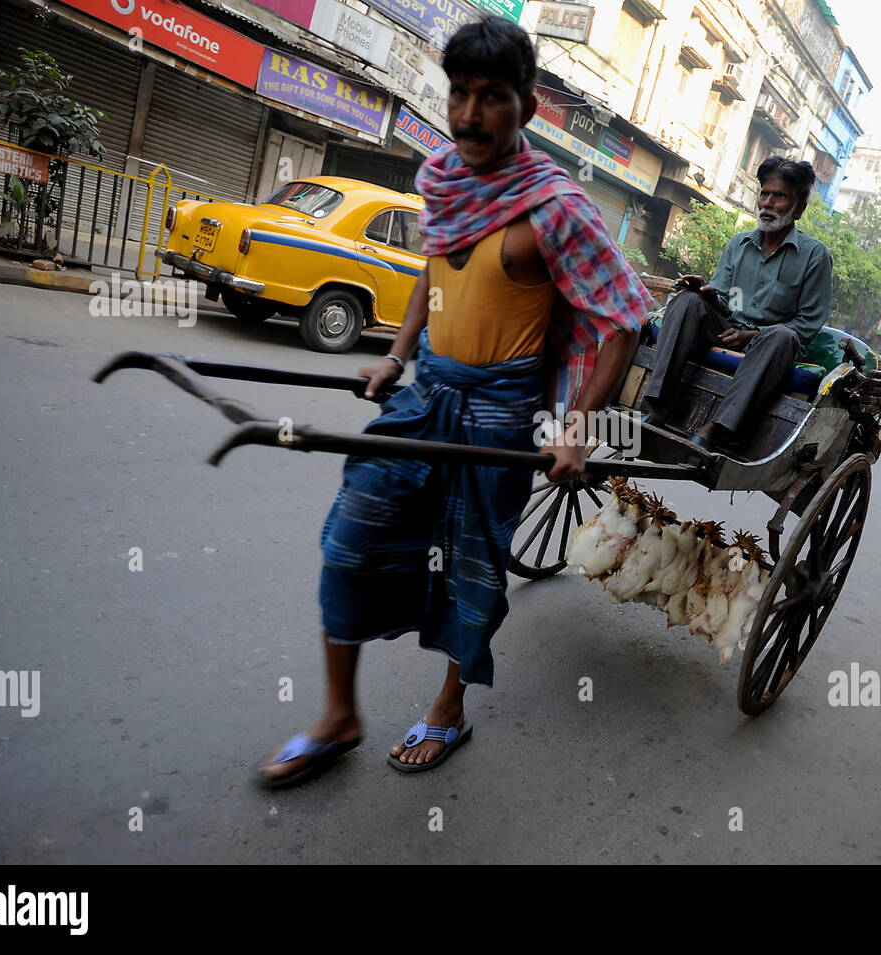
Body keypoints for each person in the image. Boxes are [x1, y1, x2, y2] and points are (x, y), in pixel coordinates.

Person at [256, 16, 648, 785]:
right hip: (425, 394)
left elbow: (623, 323)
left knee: (471, 569)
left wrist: (575, 430)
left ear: (528, 106)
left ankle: (449, 707)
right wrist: (395, 355)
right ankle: (340, 713)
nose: (469, 115)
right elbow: (432, 281)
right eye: (460, 94)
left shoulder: (556, 208)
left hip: (500, 415)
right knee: (351, 537)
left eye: (492, 97)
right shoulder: (441, 179)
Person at [642, 156, 832, 451]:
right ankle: (658, 408)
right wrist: (705, 292)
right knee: (687, 300)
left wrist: (753, 335)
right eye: (765, 194)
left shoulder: (815, 256)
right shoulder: (738, 244)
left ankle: (714, 429)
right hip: (726, 330)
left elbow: (807, 323)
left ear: (799, 208)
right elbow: (722, 299)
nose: (767, 203)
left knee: (783, 336)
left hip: (767, 346)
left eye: (779, 196)